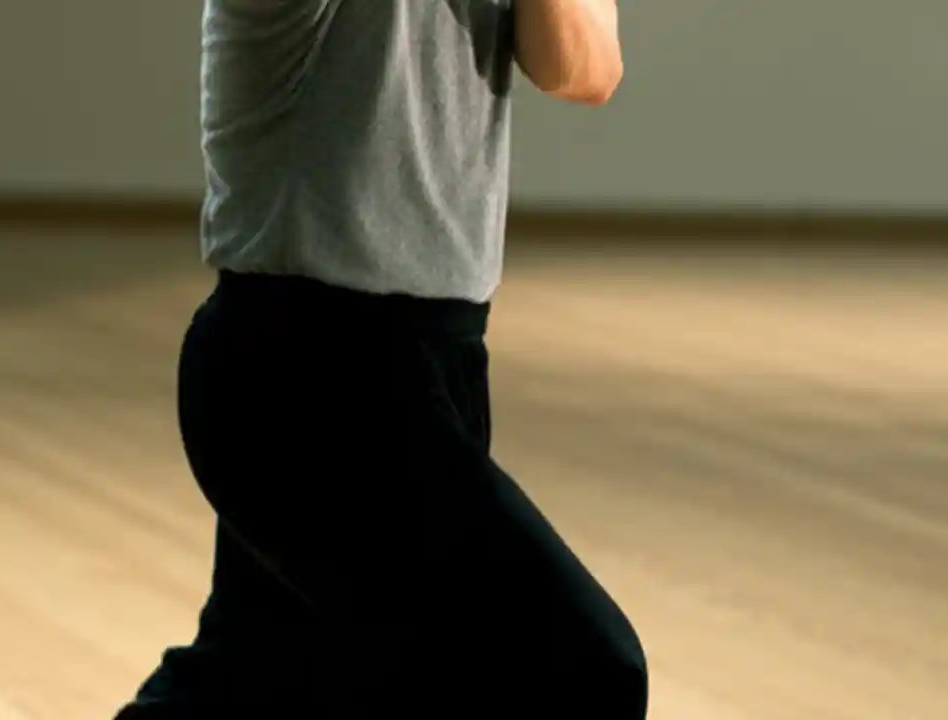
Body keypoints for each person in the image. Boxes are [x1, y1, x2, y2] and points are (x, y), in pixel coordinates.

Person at [114, 1, 646, 717]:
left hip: (436, 360)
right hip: (307, 373)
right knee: (580, 668)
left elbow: (584, 68)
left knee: (260, 681)